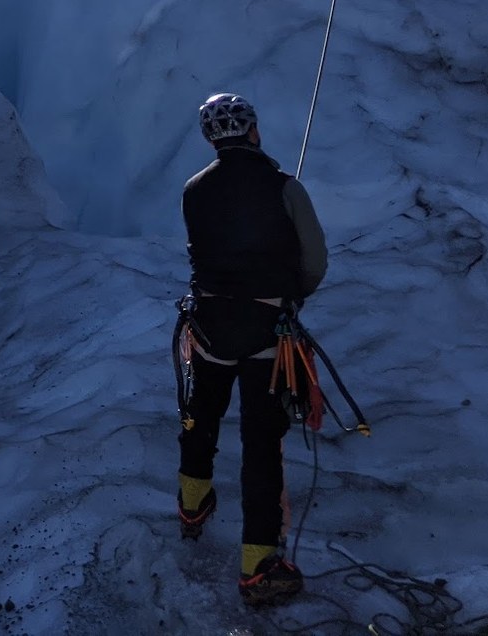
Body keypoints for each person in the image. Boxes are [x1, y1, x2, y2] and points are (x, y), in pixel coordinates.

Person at [175, 92, 328, 609]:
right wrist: (292, 297)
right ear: (253, 130)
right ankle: (258, 565)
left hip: (212, 325)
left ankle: (192, 504)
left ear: (211, 137)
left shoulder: (194, 190)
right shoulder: (286, 188)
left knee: (202, 413)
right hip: (269, 332)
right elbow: (315, 260)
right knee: (262, 442)